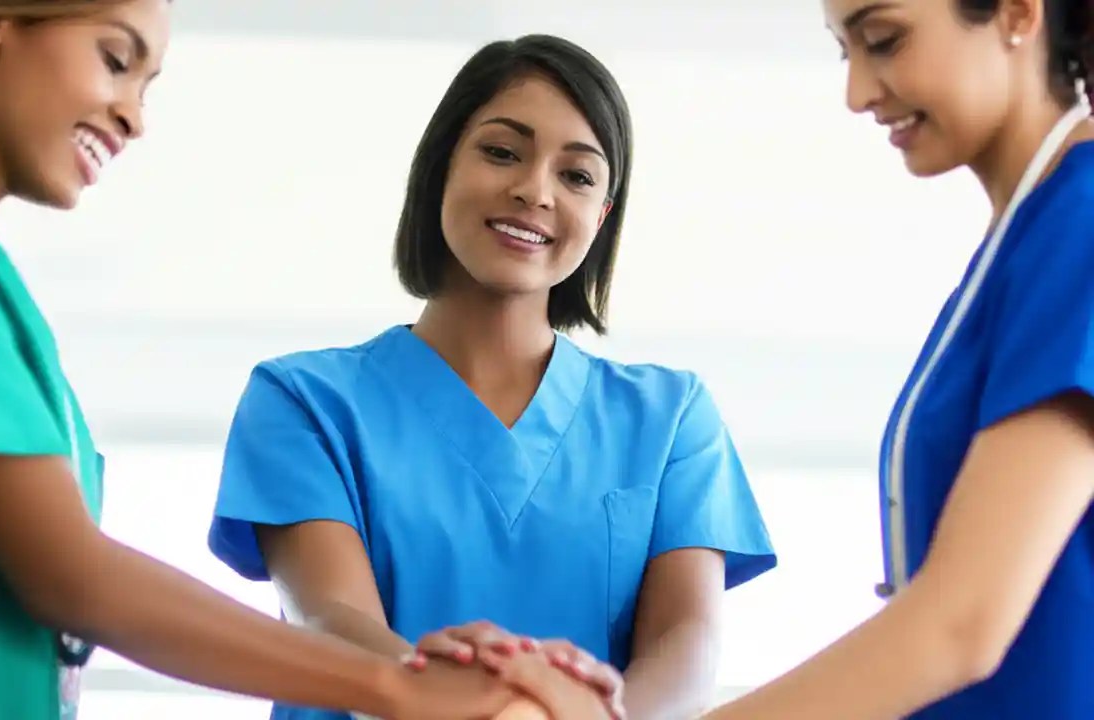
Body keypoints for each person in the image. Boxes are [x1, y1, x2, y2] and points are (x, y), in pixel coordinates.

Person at [0, 2, 584, 719]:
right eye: (116, 59)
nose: (134, 117)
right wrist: (396, 683)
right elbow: (71, 574)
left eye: (147, 86)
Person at [208, 34, 778, 720]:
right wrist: (484, 704)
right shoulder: (304, 402)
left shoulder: (672, 417)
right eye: (503, 152)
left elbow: (686, 647)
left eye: (576, 176)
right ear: (440, 167)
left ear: (601, 216)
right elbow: (328, 619)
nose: (533, 191)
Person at [704, 0, 1094, 718]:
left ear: (1016, 12)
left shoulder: (1081, 227)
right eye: (843, 50)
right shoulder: (1021, 246)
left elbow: (962, 624)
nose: (857, 92)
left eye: (884, 40)